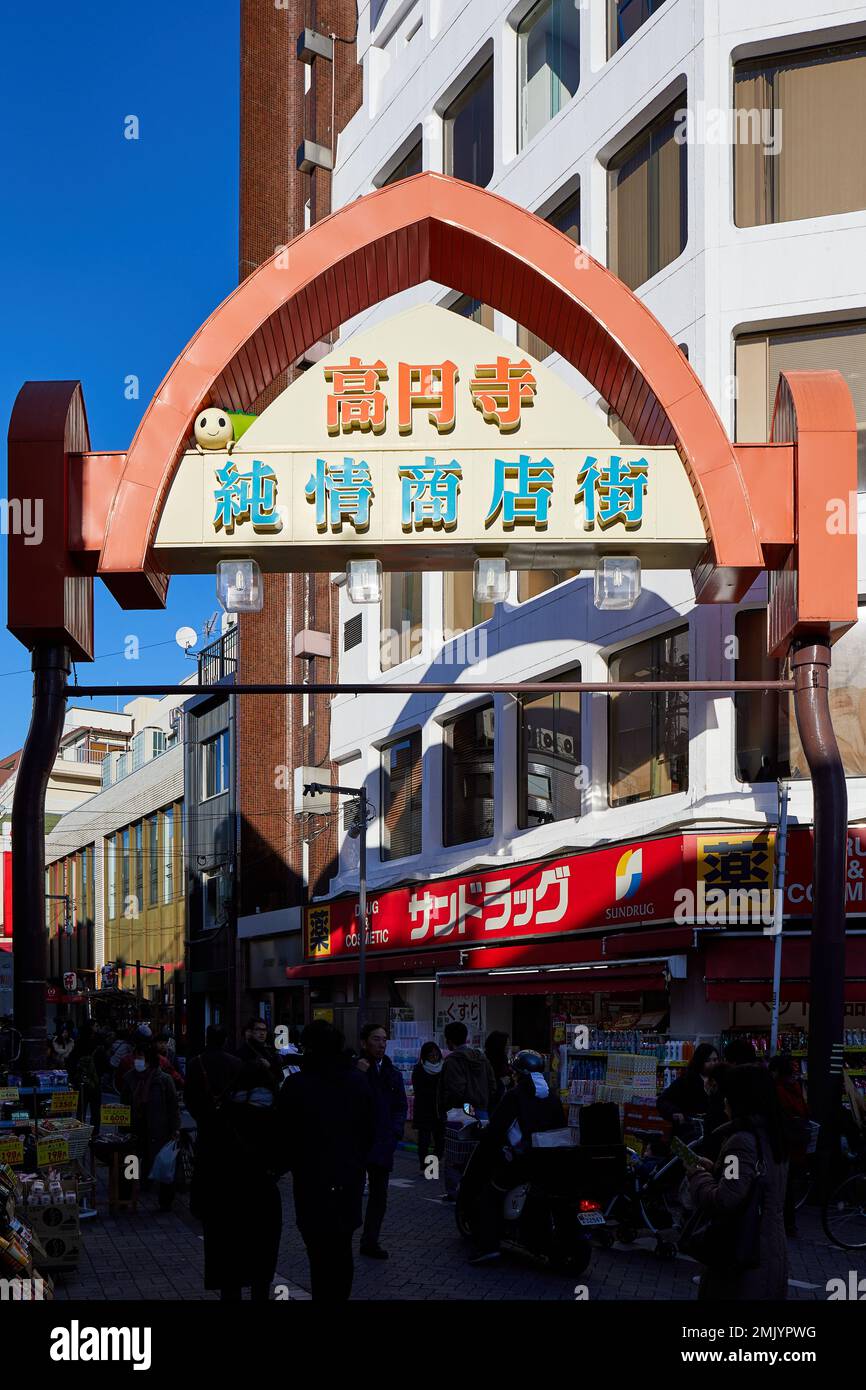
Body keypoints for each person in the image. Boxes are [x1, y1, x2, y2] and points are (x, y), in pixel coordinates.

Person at [278, 1020, 375, 1301]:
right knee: (342, 1249)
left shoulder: (296, 1085)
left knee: (318, 1253)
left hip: (311, 1181)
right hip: (348, 1177)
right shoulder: (357, 1081)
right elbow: (369, 1130)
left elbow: (284, 1135)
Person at [685, 1064, 789, 1300]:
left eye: (727, 1095)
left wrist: (697, 1175)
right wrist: (715, 1168)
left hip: (742, 1254)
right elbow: (750, 1181)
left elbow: (726, 1198)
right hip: (770, 1248)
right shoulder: (774, 1136)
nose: (724, 1103)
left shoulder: (741, 1141)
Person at [195, 1060, 281, 1301]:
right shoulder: (273, 1114)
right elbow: (284, 1155)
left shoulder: (221, 1112)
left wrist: (199, 1200)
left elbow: (204, 1159)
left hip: (224, 1198)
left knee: (229, 1271)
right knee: (260, 1271)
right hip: (262, 1197)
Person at [470, 1050, 566, 1265]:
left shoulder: (515, 1096)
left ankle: (489, 1247)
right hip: (552, 1164)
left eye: (514, 1073)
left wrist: (483, 1134)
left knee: (490, 1195)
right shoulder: (552, 1097)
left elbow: (497, 1128)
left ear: (519, 1074)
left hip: (523, 1163)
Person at [355, 1022, 407, 1258]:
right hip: (357, 1141)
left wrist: (395, 1131)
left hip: (383, 1141)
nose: (381, 1044)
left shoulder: (392, 1073)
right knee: (352, 1193)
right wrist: (359, 1074)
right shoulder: (354, 1070)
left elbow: (400, 1107)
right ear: (364, 1043)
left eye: (384, 1039)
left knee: (379, 1196)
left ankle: (370, 1240)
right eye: (376, 1039)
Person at [120, 1042, 180, 1212]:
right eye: (136, 1056)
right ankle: (126, 1197)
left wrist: (175, 1128)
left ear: (150, 1059)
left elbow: (173, 1106)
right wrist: (122, 1127)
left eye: (141, 1057)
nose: (137, 1060)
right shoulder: (129, 1078)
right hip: (134, 1128)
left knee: (162, 1163)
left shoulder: (164, 1080)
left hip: (159, 1129)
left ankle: (165, 1200)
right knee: (130, 1163)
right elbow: (123, 1105)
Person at [768, 1054, 810, 1236]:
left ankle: (783, 1224)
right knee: (788, 1186)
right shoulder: (795, 1088)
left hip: (784, 1145)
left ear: (776, 1071)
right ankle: (790, 1225)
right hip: (797, 1144)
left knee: (781, 1187)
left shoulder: (778, 1090)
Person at [657, 1043, 722, 1138]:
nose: (713, 1063)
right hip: (689, 1133)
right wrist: (676, 1113)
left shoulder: (720, 1080)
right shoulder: (686, 1080)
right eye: (708, 1060)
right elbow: (663, 1100)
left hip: (713, 1133)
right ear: (699, 1061)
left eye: (715, 1060)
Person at [184, 1025, 242, 1127]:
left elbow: (188, 1095)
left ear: (207, 1039)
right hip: (228, 1117)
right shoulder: (235, 1062)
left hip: (204, 1116)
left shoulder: (194, 1063)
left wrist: (197, 1115)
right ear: (225, 1040)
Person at [411, 1042, 445, 1176]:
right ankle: (424, 1166)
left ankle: (433, 1164)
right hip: (424, 1109)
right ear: (425, 1056)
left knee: (440, 1140)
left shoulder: (444, 1068)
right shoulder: (419, 1069)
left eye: (436, 1054)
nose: (434, 1057)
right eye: (431, 1055)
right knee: (424, 1140)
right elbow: (418, 1088)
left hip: (439, 1109)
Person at [237, 1017, 281, 1083]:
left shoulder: (270, 1052)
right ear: (250, 1032)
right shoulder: (242, 1052)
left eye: (264, 1030)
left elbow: (279, 1075)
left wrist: (270, 1066)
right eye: (258, 1029)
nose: (262, 1033)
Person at [485, 1031, 514, 1110]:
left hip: (503, 1102)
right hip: (490, 1105)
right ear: (499, 1046)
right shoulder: (486, 1062)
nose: (508, 1048)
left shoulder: (503, 1059)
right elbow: (486, 1088)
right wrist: (501, 1082)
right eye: (506, 1045)